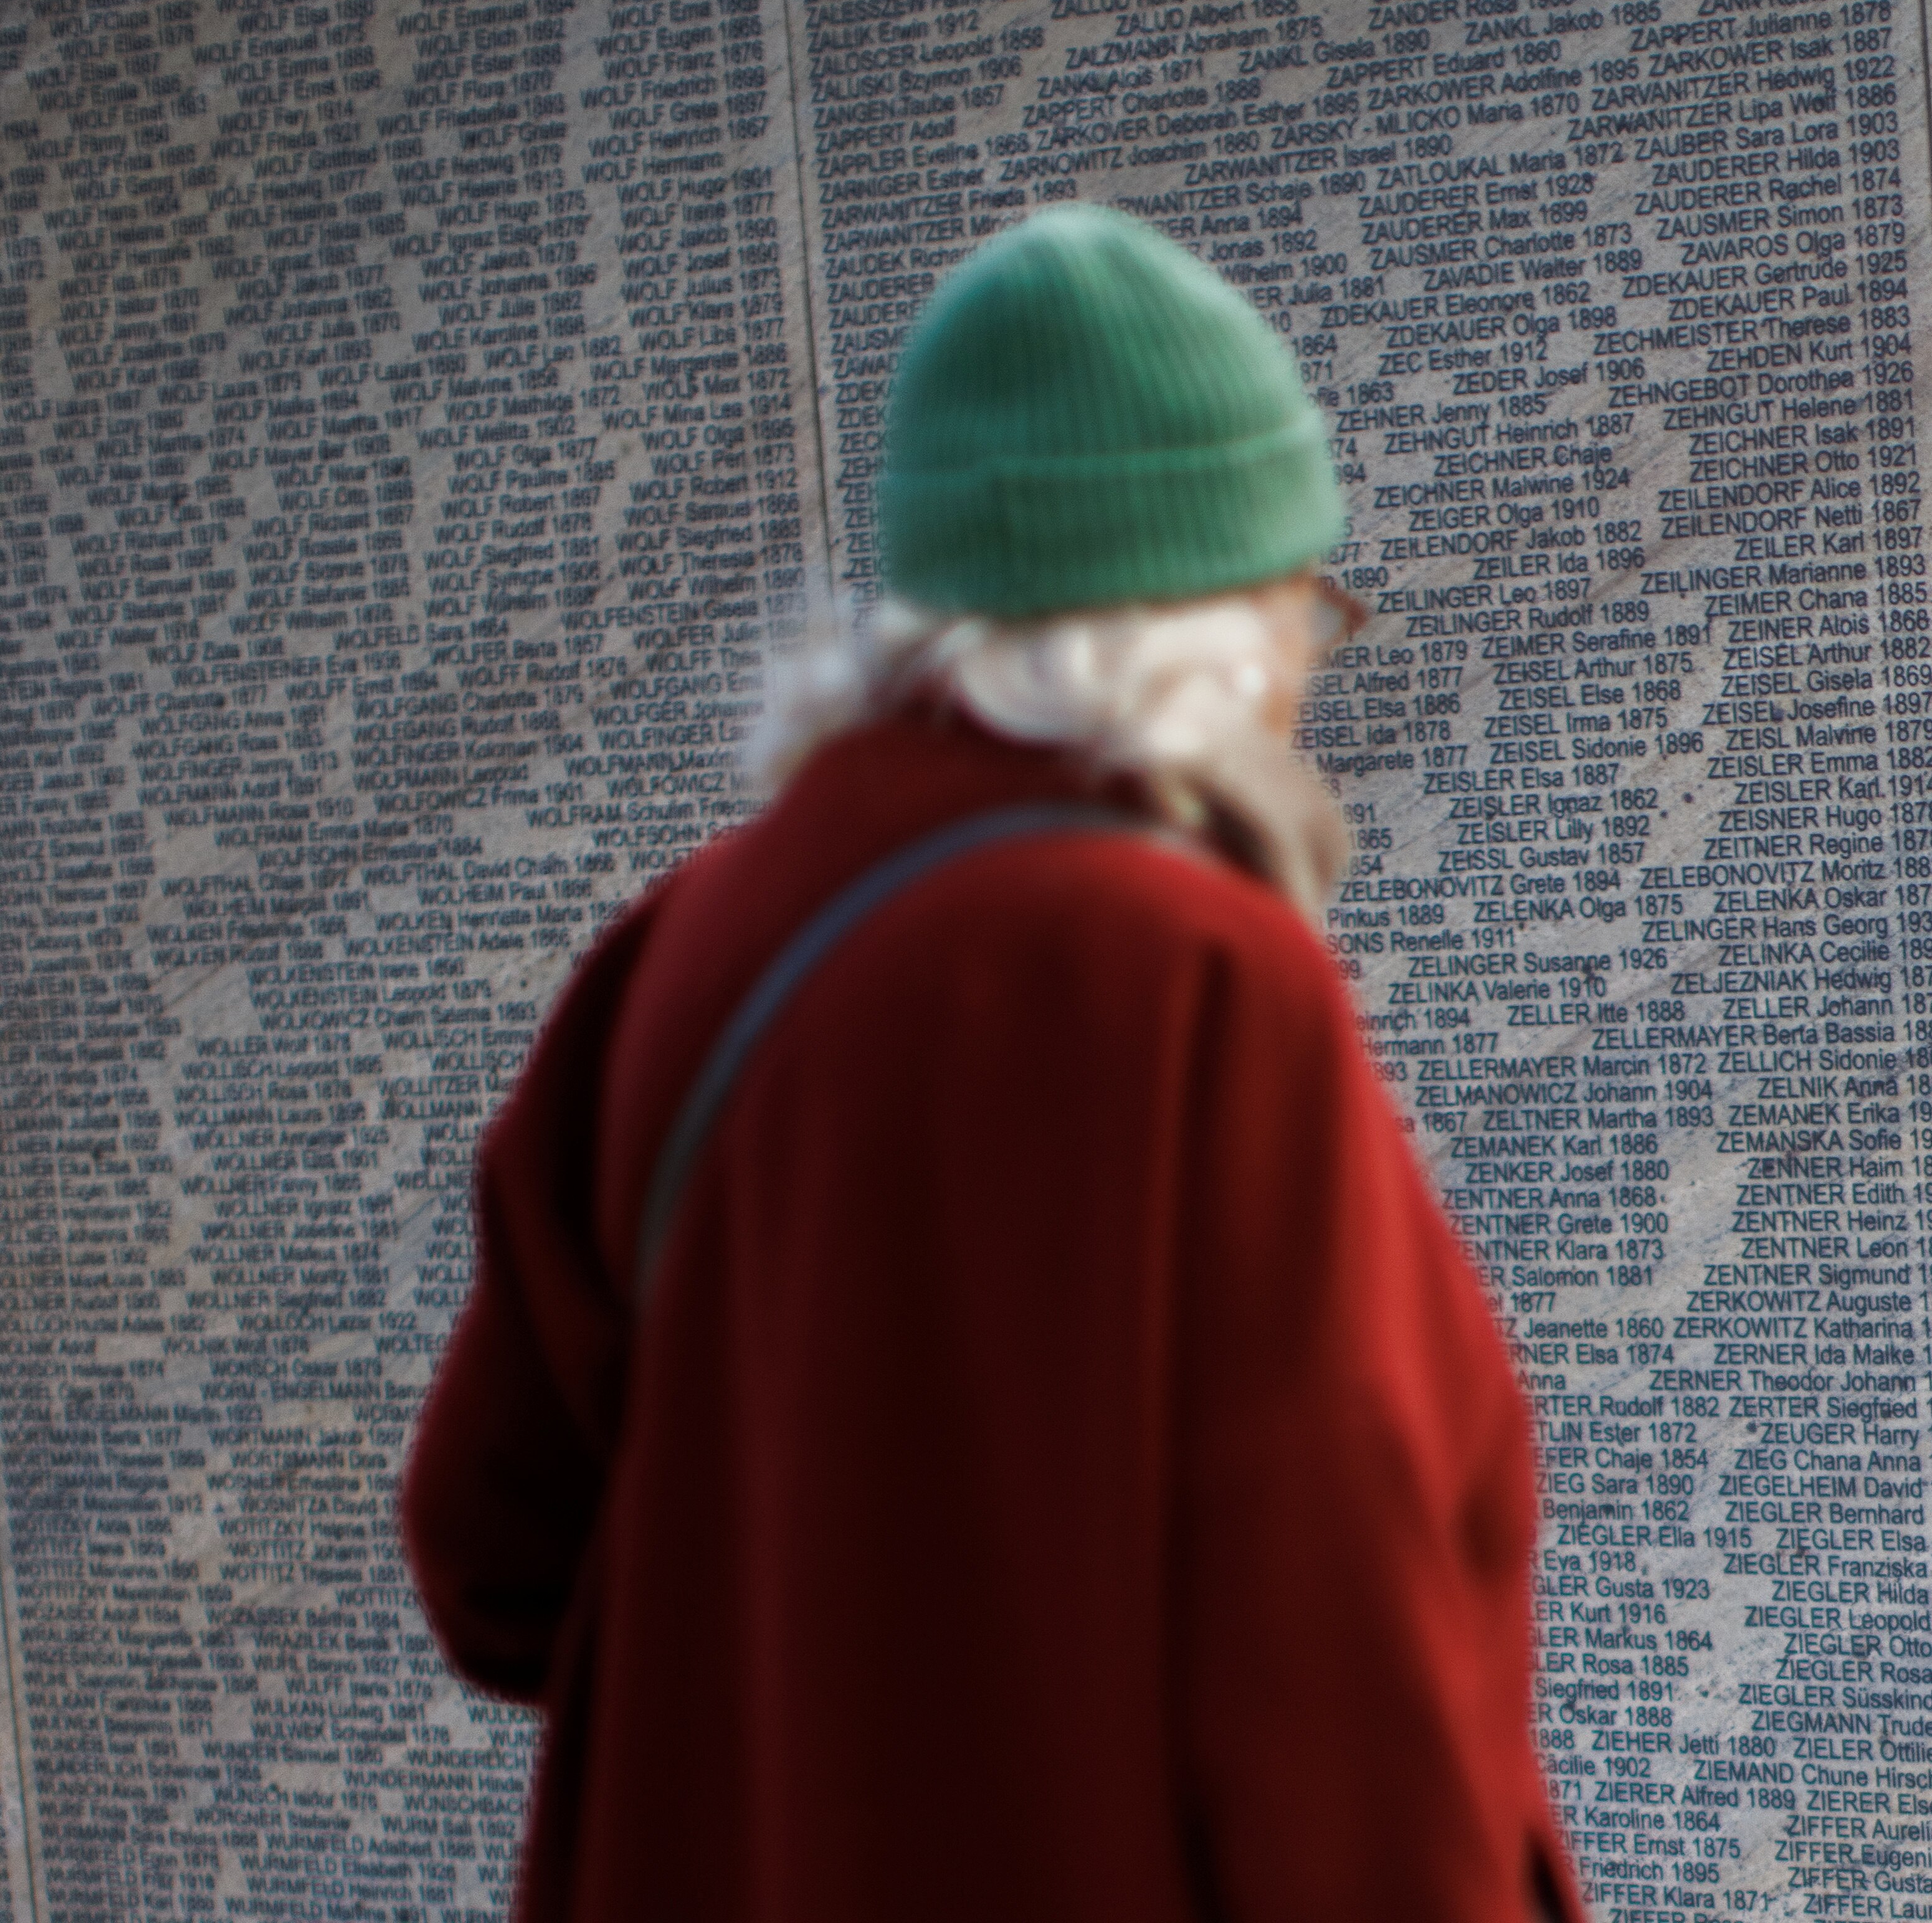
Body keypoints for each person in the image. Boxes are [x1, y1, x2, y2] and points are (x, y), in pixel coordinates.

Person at [402, 204, 1587, 1922]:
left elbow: (491, 1560)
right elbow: (1352, 1698)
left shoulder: (683, 949)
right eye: (1305, 617)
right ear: (1215, 621)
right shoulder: (1197, 980)